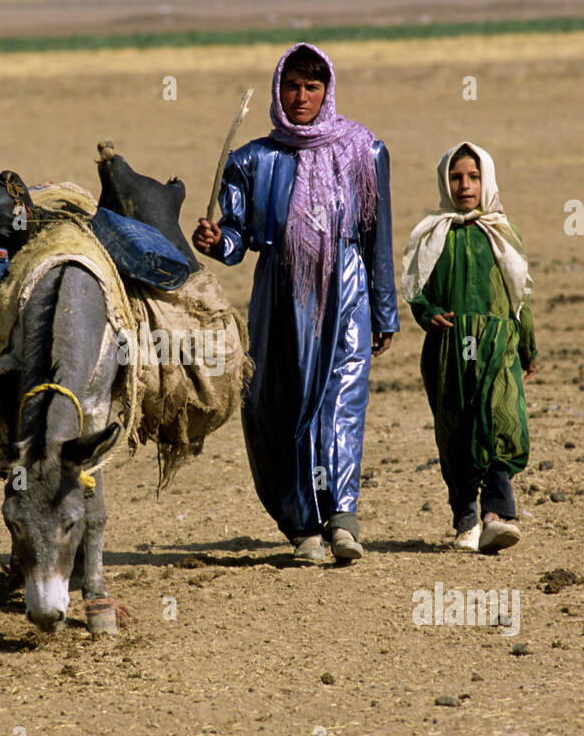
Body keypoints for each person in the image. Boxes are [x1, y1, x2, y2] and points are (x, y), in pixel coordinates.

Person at [191, 43, 397, 563]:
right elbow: (240, 240)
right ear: (278, 90)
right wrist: (220, 243)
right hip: (280, 299)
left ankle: (342, 518)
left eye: (312, 87)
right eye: (292, 86)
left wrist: (384, 309)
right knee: (277, 408)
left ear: (327, 92)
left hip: (346, 293)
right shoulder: (253, 160)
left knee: (341, 403)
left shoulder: (365, 152)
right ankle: (302, 524)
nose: (301, 96)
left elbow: (377, 238)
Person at [402, 142, 540, 553]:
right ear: (445, 181)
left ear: (487, 180)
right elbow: (414, 289)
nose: (465, 185)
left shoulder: (501, 231)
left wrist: (528, 346)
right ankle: (466, 521)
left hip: (498, 345)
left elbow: (520, 295)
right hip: (451, 349)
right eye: (457, 177)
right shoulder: (432, 233)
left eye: (474, 177)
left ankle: (498, 515)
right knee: (456, 429)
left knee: (500, 422)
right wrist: (428, 313)